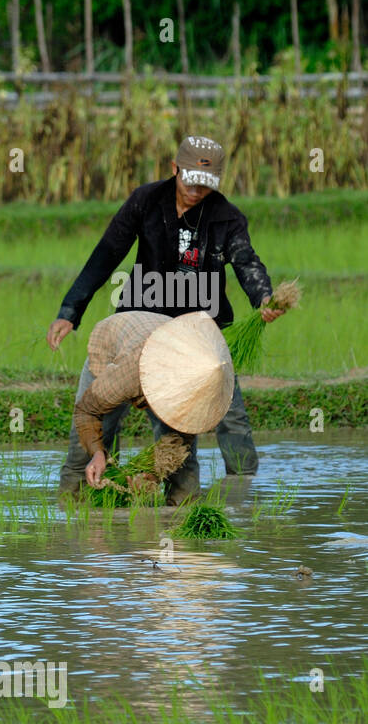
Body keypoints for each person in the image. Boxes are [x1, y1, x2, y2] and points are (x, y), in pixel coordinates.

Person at [47, 136, 290, 503]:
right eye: (189, 180)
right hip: (140, 325)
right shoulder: (145, 201)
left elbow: (246, 261)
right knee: (100, 418)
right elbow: (107, 253)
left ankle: (238, 497)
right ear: (174, 168)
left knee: (223, 419)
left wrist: (264, 298)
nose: (195, 190)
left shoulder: (226, 217)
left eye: (205, 185)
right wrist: (70, 311)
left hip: (199, 340)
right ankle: (76, 502)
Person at [72, 311, 234, 500]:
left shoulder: (209, 376)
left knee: (183, 461)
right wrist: (97, 453)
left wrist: (154, 472)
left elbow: (183, 437)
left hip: (170, 340)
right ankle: (72, 508)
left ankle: (181, 512)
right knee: (85, 452)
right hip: (114, 344)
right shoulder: (129, 373)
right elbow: (86, 411)